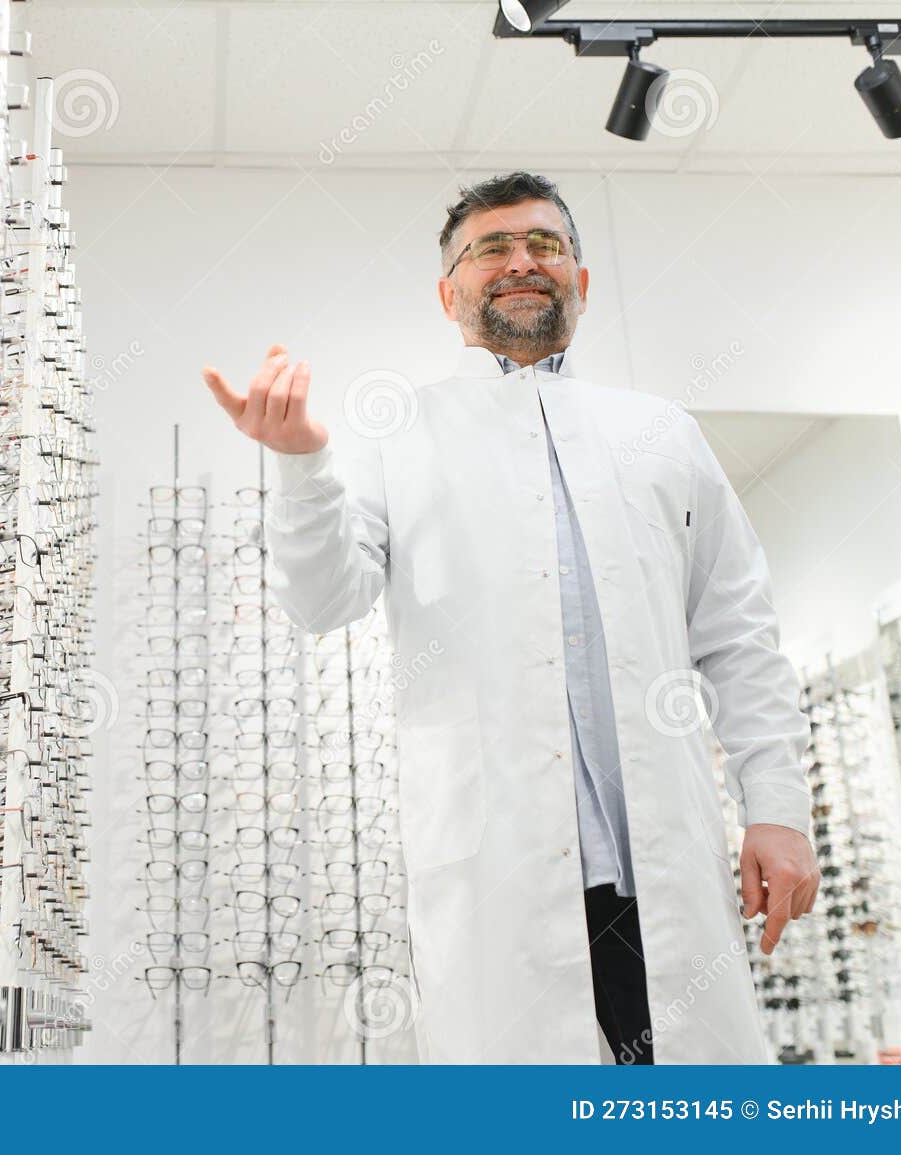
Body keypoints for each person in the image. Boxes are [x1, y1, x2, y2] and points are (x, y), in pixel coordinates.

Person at [200, 171, 819, 1064]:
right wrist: (302, 466)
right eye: (490, 248)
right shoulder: (397, 434)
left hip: (663, 865)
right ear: (448, 293)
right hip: (497, 872)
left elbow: (738, 636)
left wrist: (780, 807)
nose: (521, 261)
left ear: (582, 279)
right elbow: (321, 597)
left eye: (545, 244)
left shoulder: (661, 432)